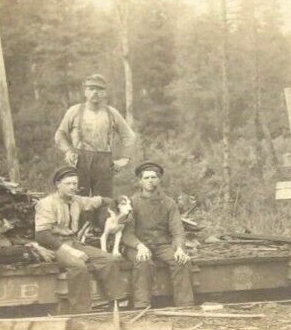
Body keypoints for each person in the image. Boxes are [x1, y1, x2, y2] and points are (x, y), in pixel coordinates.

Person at [34, 166, 127, 313]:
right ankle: (81, 310)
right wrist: (71, 251)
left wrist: (118, 205)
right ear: (58, 185)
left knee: (108, 259)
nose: (72, 187)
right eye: (68, 184)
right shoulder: (47, 203)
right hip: (55, 246)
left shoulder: (77, 200)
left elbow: (100, 200)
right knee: (78, 266)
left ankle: (116, 303)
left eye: (75, 184)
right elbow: (42, 236)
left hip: (74, 242)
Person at [121, 162, 194, 308]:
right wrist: (139, 246)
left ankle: (185, 305)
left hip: (162, 245)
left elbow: (177, 230)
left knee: (182, 261)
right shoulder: (132, 203)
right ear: (140, 181)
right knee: (143, 262)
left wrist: (180, 248)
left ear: (159, 180)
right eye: (146, 178)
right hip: (138, 245)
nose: (150, 181)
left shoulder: (168, 203)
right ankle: (142, 305)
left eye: (153, 177)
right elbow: (127, 234)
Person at [54, 73, 136, 199]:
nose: (95, 92)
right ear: (85, 92)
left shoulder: (112, 113)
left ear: (105, 93)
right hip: (79, 160)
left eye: (99, 89)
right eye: (91, 89)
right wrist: (68, 151)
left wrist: (124, 159)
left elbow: (129, 136)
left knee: (103, 201)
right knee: (77, 199)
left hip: (104, 162)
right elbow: (60, 135)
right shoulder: (74, 111)